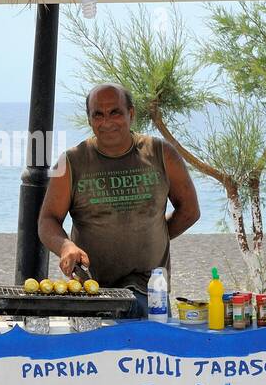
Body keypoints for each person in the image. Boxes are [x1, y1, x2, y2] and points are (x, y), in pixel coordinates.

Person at [38, 83, 201, 316]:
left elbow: (190, 211)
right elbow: (47, 220)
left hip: (148, 290)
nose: (107, 122)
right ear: (89, 120)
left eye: (115, 112)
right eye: (98, 114)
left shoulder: (161, 153)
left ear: (131, 114)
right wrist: (66, 246)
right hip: (93, 290)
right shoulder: (71, 162)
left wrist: (152, 234)